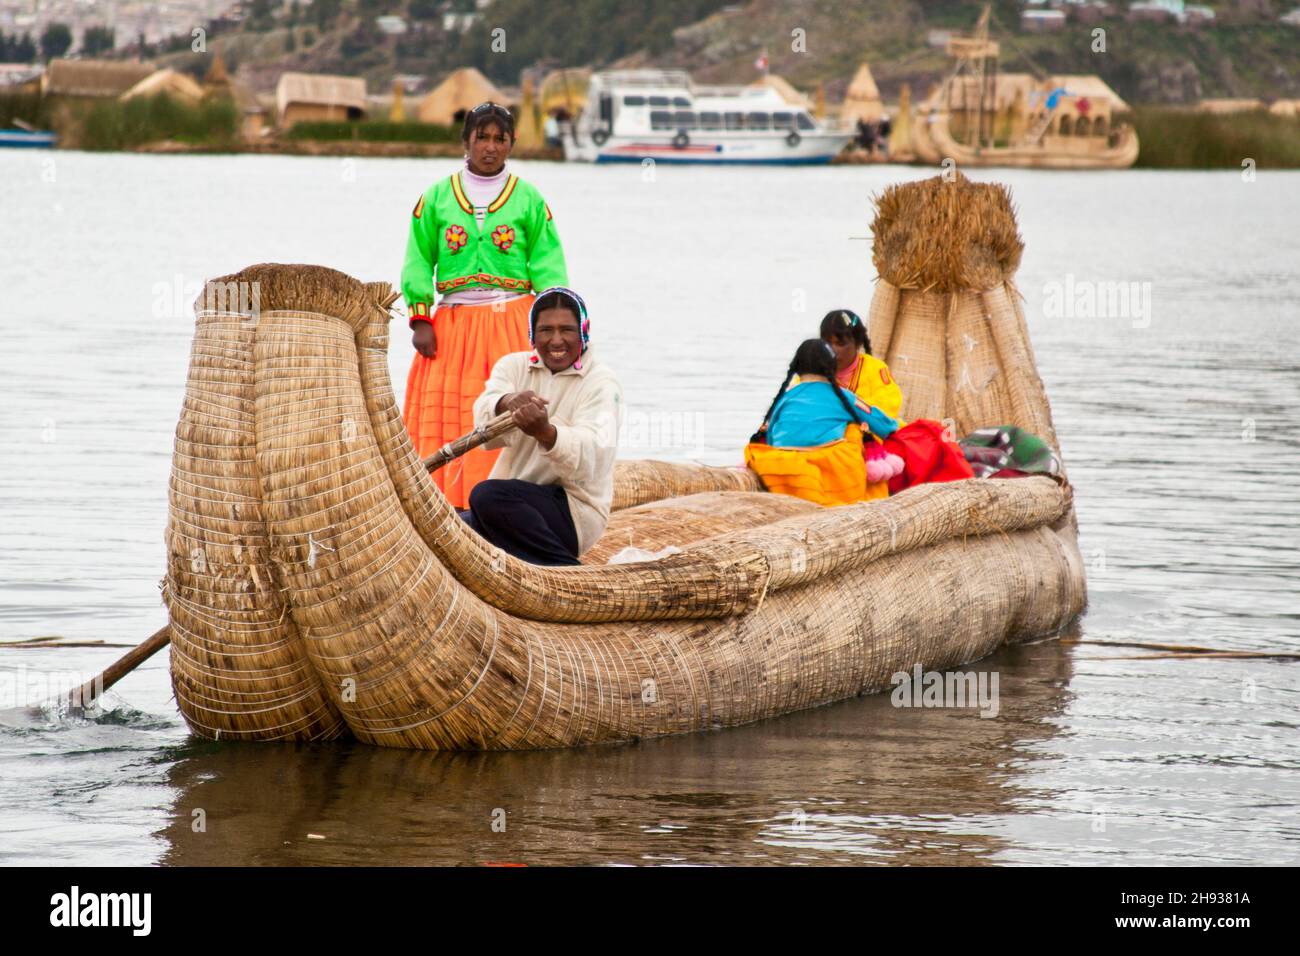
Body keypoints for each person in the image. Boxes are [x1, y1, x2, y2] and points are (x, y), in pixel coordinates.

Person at [401, 101, 569, 509]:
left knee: (511, 411)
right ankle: (444, 502)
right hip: (453, 326)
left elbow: (549, 265)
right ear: (467, 140)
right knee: (453, 414)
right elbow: (419, 259)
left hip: (512, 323)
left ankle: (511, 502)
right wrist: (420, 319)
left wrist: (555, 326)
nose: (490, 147)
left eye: (500, 138)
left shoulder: (529, 200)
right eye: (482, 137)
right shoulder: (436, 199)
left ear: (511, 144)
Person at [465, 288, 621, 566]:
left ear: (583, 332)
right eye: (546, 330)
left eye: (567, 330)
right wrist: (506, 402)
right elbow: (482, 420)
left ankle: (569, 572)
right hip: (513, 505)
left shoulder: (601, 382)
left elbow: (593, 459)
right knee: (452, 526)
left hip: (574, 511)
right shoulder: (513, 367)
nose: (556, 340)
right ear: (533, 334)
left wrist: (546, 434)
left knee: (486, 494)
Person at [745, 339, 901, 506]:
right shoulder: (843, 396)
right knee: (855, 429)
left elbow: (770, 436)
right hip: (827, 466)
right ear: (832, 366)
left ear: (797, 367)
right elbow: (885, 426)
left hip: (776, 465)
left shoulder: (785, 397)